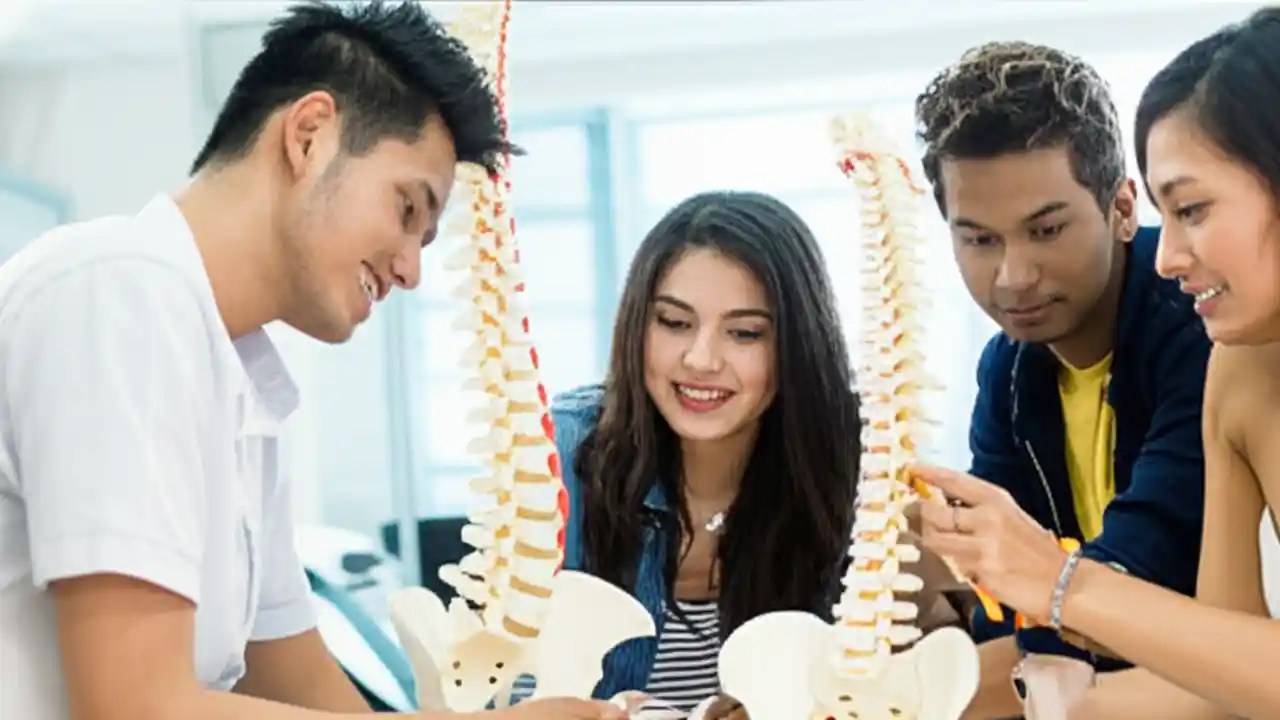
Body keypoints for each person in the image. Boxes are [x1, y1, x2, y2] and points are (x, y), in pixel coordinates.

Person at [0, 2, 623, 719]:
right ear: (310, 134)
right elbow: (135, 705)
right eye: (407, 210)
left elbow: (289, 673)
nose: (411, 269)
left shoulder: (242, 380)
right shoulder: (118, 293)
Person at [915, 8, 1280, 720]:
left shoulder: (1191, 337)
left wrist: (1054, 582)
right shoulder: (1234, 370)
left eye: (1194, 209)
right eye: (979, 240)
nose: (1169, 255)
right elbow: (1222, 687)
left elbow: (1137, 582)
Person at [548, 190, 870, 718]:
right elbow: (499, 683)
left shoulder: (851, 468)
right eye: (674, 323)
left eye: (745, 333)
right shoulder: (563, 454)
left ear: (797, 344)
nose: (700, 359)